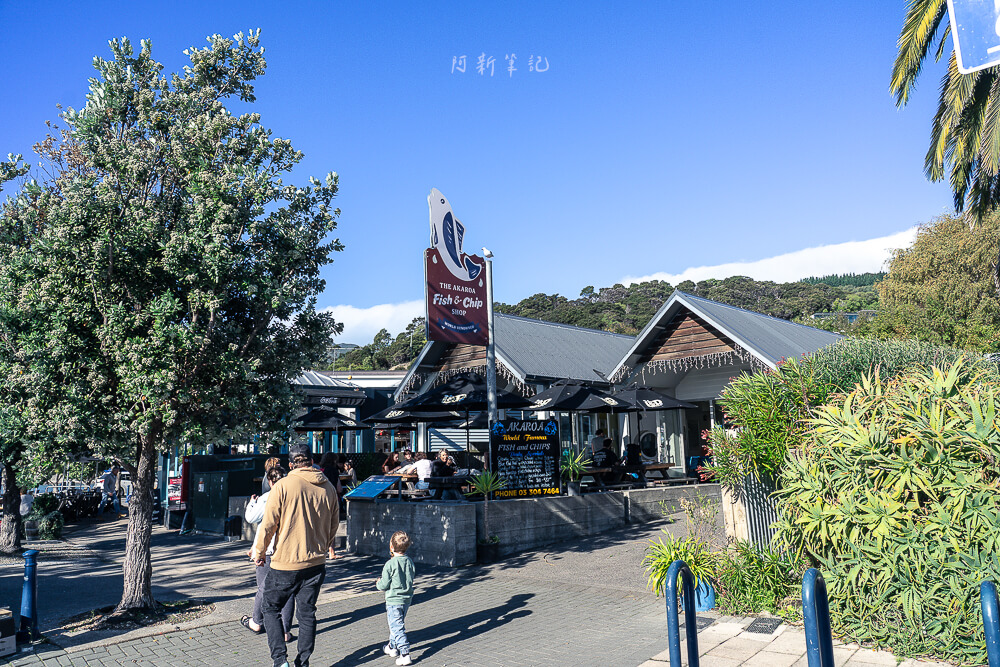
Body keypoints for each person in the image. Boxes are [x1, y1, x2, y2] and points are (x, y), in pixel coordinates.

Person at [252, 444, 339, 667]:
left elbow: (268, 525)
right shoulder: (327, 487)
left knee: (270, 608)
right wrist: (325, 546)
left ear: (290, 464)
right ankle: (304, 661)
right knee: (307, 614)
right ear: (311, 461)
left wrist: (259, 552)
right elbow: (333, 524)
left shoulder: (283, 486)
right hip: (316, 563)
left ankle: (280, 660)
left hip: (286, 563)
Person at [242, 466, 295, 642]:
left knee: (264, 587)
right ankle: (286, 630)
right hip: (288, 550)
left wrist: (251, 503)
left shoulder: (266, 499)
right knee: (288, 591)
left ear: (270, 481)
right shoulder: (293, 498)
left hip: (269, 550)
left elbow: (254, 520)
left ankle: (257, 621)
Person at [376, 531, 416, 666]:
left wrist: (378, 583)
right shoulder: (409, 561)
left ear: (391, 547)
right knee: (397, 624)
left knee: (397, 626)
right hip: (407, 598)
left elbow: (384, 584)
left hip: (394, 600)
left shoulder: (390, 564)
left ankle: (405, 653)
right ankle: (392, 647)